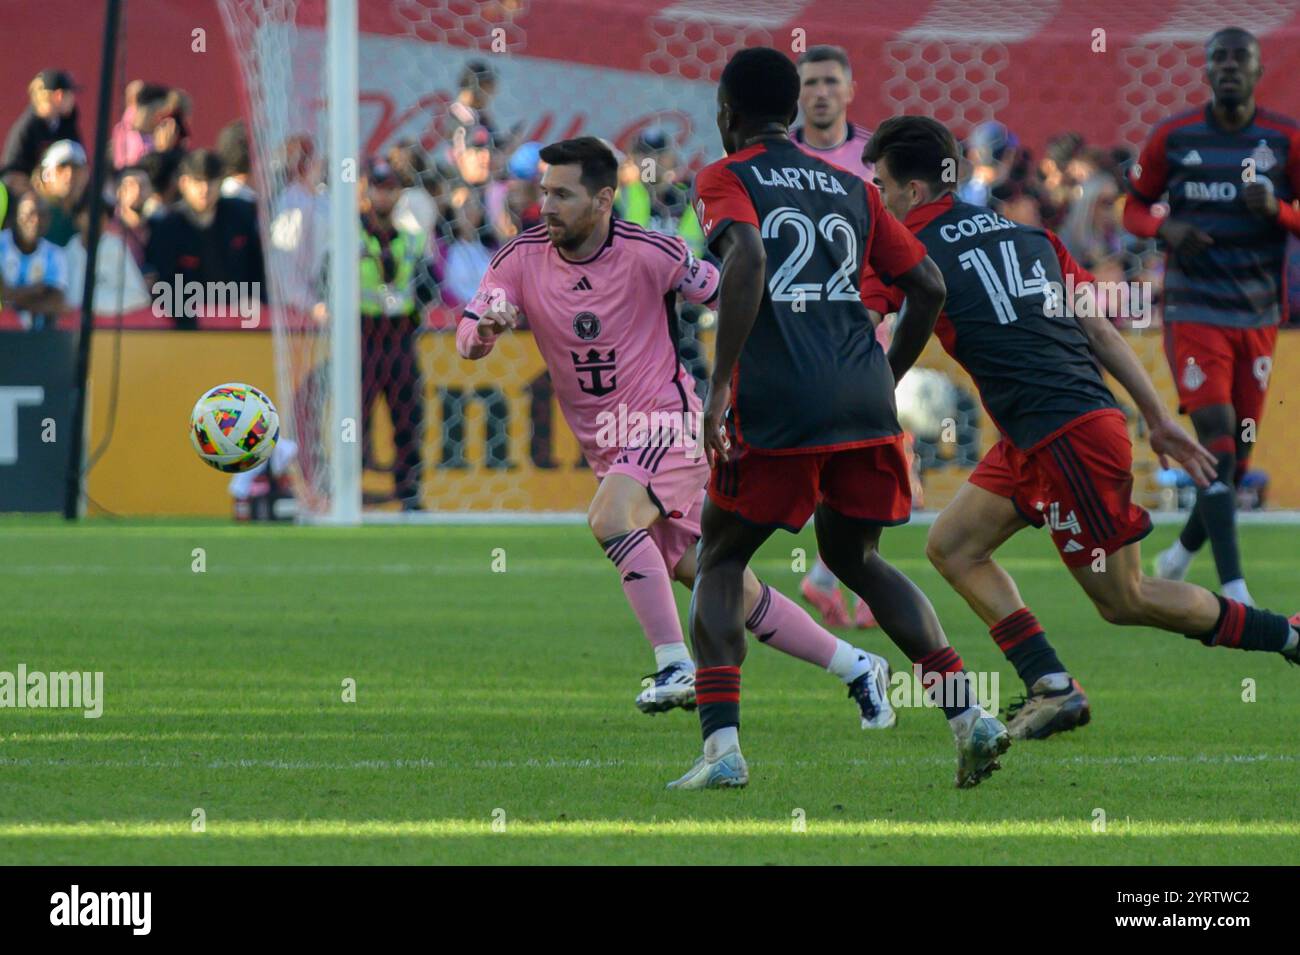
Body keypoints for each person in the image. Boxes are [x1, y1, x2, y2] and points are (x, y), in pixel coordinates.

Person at [858, 115, 1300, 742]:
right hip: (1044, 433)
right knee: (952, 546)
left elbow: (856, 320)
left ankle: (1286, 633)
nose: (875, 197)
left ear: (914, 191)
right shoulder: (1032, 237)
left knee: (1126, 599)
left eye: (880, 186)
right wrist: (1156, 417)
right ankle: (1051, 684)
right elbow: (1096, 327)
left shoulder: (905, 247)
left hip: (1066, 436)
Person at [457, 136, 895, 729]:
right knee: (720, 580)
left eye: (563, 194)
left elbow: (736, 294)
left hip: (669, 420)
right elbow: (469, 332)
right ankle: (858, 666)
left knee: (611, 519)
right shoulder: (520, 257)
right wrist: (484, 329)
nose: (548, 205)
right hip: (609, 445)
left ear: (605, 198)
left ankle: (673, 666)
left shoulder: (652, 252)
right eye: (544, 192)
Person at [681, 48, 1007, 792]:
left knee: (721, 559)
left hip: (782, 402)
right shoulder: (851, 186)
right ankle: (968, 715)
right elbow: (926, 284)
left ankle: (721, 750)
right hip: (861, 400)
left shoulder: (724, 176)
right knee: (856, 557)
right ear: (794, 110)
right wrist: (882, 377)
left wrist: (720, 382)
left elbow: (750, 260)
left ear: (727, 114)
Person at [1124, 28, 1300, 607]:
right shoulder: (1174, 137)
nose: (1227, 67)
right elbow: (1133, 208)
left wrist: (1279, 209)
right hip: (1193, 309)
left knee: (1234, 457)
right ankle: (1235, 590)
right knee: (1219, 442)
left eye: (1239, 59)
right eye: (1218, 58)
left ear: (1255, 71)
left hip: (1258, 314)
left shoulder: (1285, 139)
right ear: (1206, 70)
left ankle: (1178, 556)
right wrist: (1164, 227)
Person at [358, 158, 430, 510]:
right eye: (378, 187)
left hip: (400, 333)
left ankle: (409, 490)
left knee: (408, 415)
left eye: (390, 189)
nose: (383, 196)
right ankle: (347, 489)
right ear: (366, 189)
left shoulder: (412, 239)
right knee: (355, 418)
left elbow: (429, 285)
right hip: (362, 334)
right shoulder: (350, 237)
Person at [144, 149, 265, 328]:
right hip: (188, 323)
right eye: (198, 182)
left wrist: (255, 298)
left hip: (241, 320)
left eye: (211, 182)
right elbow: (162, 282)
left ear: (220, 183)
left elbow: (257, 265)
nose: (205, 189)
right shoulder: (167, 228)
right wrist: (185, 315)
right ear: (184, 183)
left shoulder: (240, 216)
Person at [790, 45, 873, 180]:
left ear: (850, 91)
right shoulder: (779, 152)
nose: (821, 93)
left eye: (831, 81)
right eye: (811, 83)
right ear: (797, 92)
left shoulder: (874, 155)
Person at [1, 70, 81, 195]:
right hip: (30, 199)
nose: (73, 100)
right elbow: (11, 175)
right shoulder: (26, 128)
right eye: (70, 95)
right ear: (58, 96)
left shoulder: (66, 124)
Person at [0, 191, 68, 329]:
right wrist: (37, 289)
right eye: (30, 213)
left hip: (37, 341)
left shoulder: (55, 255)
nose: (36, 220)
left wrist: (11, 299)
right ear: (16, 217)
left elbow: (56, 303)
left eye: (42, 214)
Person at [33, 139, 87, 246]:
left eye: (76, 168)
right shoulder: (33, 215)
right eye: (61, 168)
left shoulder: (91, 217)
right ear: (46, 174)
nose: (70, 175)